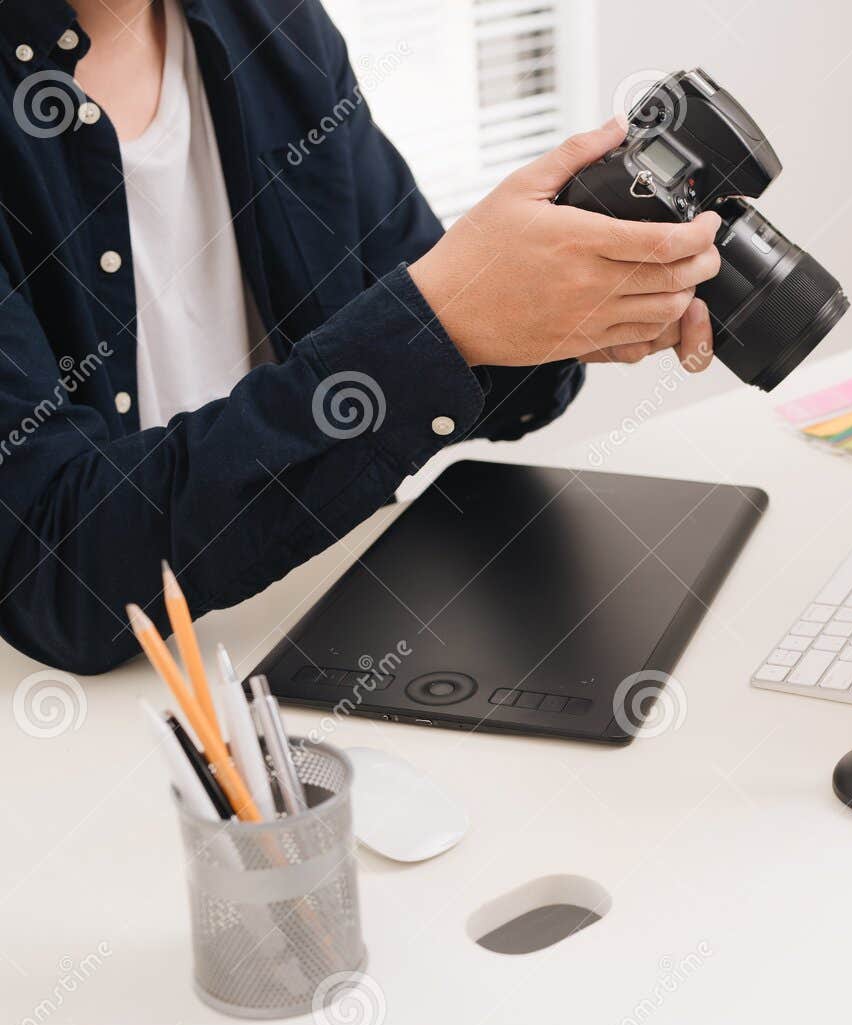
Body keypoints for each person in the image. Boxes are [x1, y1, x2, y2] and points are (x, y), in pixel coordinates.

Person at [0, 0, 720, 673]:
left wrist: (554, 310)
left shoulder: (275, 24)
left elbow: (404, 332)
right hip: (113, 714)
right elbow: (61, 572)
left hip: (317, 624)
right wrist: (444, 321)